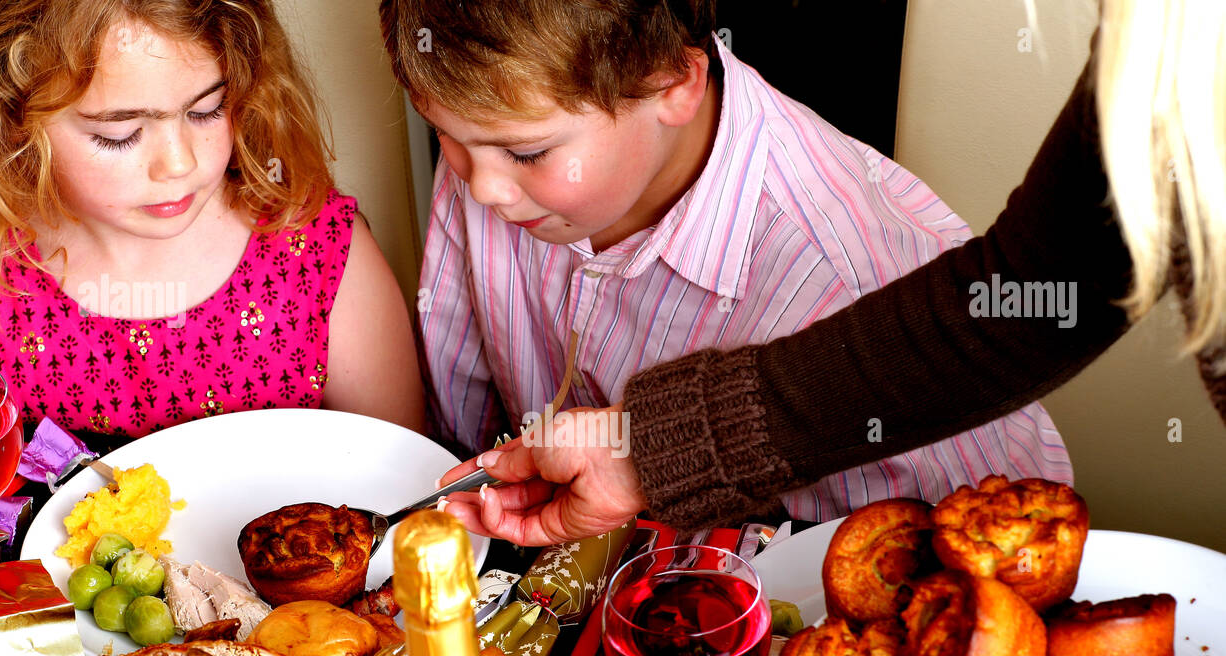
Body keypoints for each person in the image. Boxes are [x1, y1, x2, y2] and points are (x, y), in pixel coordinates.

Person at [438, 0, 1226, 546]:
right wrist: (643, 447)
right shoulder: (1172, 48)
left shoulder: (835, 247)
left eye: (529, 152)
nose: (484, 188)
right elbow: (1026, 301)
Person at [0, 0, 424, 441]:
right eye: (120, 134)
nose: (180, 163)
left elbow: (404, 481)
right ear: (11, 119)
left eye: (208, 109)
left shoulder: (321, 252)